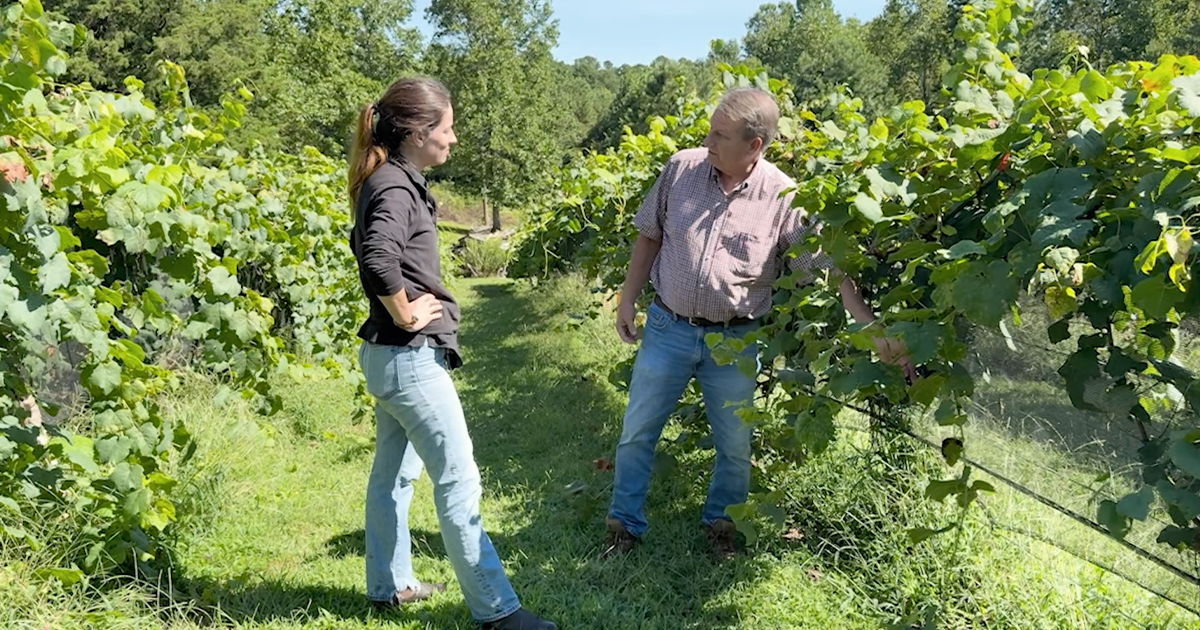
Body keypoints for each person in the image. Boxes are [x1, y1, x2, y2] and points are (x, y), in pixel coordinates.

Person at [603, 87, 914, 560]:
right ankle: (623, 528)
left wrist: (873, 330)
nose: (707, 141)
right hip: (668, 328)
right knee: (638, 432)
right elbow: (649, 235)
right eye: (709, 129)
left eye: (720, 135)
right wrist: (627, 301)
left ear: (756, 146)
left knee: (733, 445)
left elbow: (826, 269)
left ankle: (720, 529)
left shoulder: (782, 197)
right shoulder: (681, 169)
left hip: (735, 339)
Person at [348, 76, 557, 630]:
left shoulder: (390, 178)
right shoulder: (395, 186)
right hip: (409, 356)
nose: (454, 139)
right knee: (458, 480)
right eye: (447, 128)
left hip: (389, 358)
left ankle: (389, 586)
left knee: (393, 478)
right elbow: (377, 257)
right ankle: (498, 613)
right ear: (417, 133)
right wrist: (406, 312)